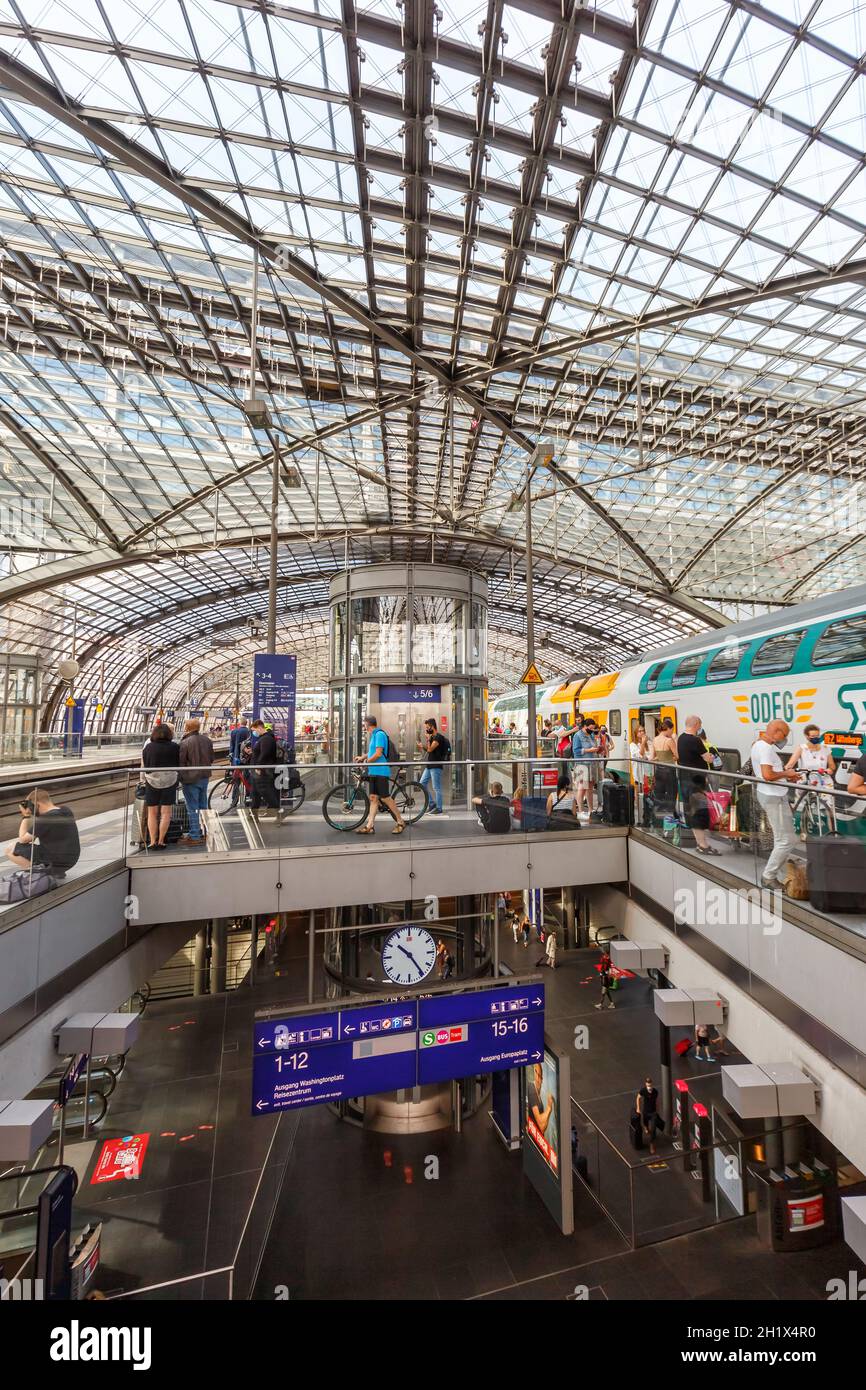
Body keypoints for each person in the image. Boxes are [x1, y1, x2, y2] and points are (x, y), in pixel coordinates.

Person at [751, 719, 802, 890]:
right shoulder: (765, 748)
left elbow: (769, 774)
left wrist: (786, 776)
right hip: (773, 797)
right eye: (785, 735)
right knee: (787, 840)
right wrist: (787, 772)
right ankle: (768, 876)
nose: (785, 738)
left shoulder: (759, 744)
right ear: (777, 732)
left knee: (782, 838)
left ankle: (777, 874)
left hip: (771, 795)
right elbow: (767, 775)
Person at [4, 786, 80, 878]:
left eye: (32, 806)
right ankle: (57, 873)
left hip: (56, 862)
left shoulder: (45, 819)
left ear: (37, 804)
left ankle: (39, 875)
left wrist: (26, 816)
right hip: (71, 860)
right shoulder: (66, 810)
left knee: (10, 849)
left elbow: (23, 840)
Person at [355, 714, 405, 836]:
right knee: (373, 798)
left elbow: (378, 754)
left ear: (368, 724)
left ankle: (400, 822)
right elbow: (373, 751)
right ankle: (370, 826)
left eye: (364, 724)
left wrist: (367, 762)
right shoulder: (374, 735)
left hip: (381, 771)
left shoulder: (380, 734)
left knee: (385, 798)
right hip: (374, 771)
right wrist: (363, 757)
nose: (364, 726)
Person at [677, 714, 719, 855]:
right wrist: (712, 756)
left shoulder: (680, 738)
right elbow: (708, 758)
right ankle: (703, 845)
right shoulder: (696, 741)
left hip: (684, 779)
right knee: (700, 811)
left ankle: (700, 842)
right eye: (700, 725)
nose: (700, 728)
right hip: (696, 781)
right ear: (696, 725)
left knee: (692, 811)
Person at [141, 723, 181, 850]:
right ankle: (161, 840)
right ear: (170, 734)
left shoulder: (148, 748)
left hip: (152, 782)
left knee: (152, 813)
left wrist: (142, 780)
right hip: (169, 781)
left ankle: (152, 841)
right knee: (166, 813)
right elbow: (178, 764)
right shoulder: (175, 747)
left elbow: (145, 766)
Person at [178, 719, 214, 846]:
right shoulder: (207, 740)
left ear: (187, 727)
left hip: (190, 779)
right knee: (203, 806)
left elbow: (181, 762)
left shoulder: (184, 742)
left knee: (192, 808)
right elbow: (211, 758)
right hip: (204, 777)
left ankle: (195, 835)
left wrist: (181, 778)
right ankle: (205, 832)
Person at [249, 719, 286, 823]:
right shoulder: (263, 738)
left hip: (263, 772)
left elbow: (265, 754)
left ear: (260, 727)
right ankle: (253, 816)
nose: (254, 732)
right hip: (258, 771)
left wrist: (259, 767)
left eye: (254, 729)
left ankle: (280, 812)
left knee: (267, 793)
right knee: (255, 794)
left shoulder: (266, 739)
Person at [417, 717, 448, 815]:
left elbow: (430, 749)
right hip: (430, 764)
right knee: (422, 783)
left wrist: (428, 739)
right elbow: (429, 750)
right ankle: (431, 803)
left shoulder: (438, 737)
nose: (426, 729)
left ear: (432, 727)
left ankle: (439, 808)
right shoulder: (432, 738)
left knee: (436, 787)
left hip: (436, 765)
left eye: (427, 727)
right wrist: (423, 746)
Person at [652, 717, 678, 812]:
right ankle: (670, 816)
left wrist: (661, 758)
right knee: (671, 793)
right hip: (669, 770)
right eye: (672, 730)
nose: (672, 732)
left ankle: (657, 816)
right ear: (668, 729)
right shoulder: (669, 740)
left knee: (659, 794)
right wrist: (675, 739)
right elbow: (677, 755)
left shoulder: (655, 739)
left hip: (658, 770)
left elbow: (653, 757)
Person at [636, 1077, 661, 1155]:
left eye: (650, 1085)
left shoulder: (655, 1092)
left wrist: (657, 1110)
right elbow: (638, 1098)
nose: (649, 1087)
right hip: (646, 1112)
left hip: (653, 1112)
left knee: (653, 1129)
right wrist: (638, 1108)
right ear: (646, 1085)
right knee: (645, 1124)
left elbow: (657, 1101)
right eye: (648, 1085)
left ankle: (651, 1144)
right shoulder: (643, 1090)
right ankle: (646, 1127)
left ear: (652, 1084)